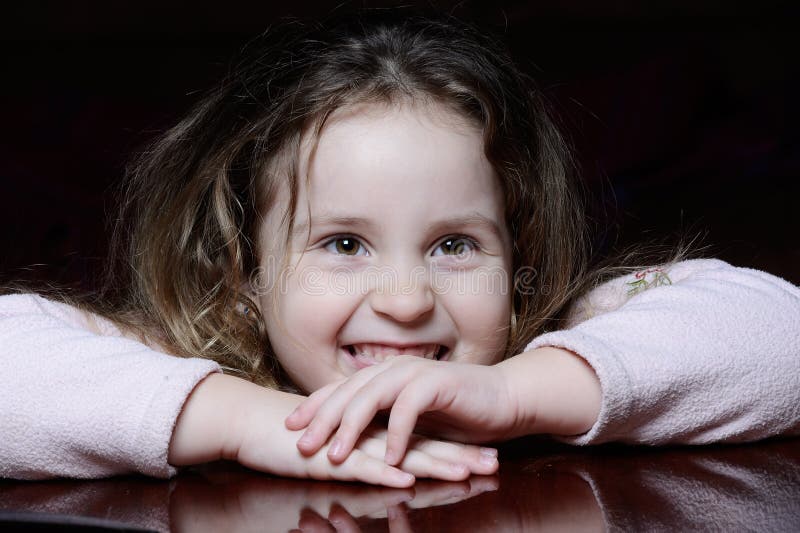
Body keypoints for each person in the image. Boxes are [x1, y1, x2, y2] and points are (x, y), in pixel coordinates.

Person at [1, 12, 798, 486]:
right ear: (243, 273)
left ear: (517, 261)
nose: (407, 299)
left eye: (454, 244)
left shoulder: (559, 333)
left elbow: (781, 332)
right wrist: (250, 421)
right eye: (345, 242)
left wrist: (519, 392)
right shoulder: (192, 353)